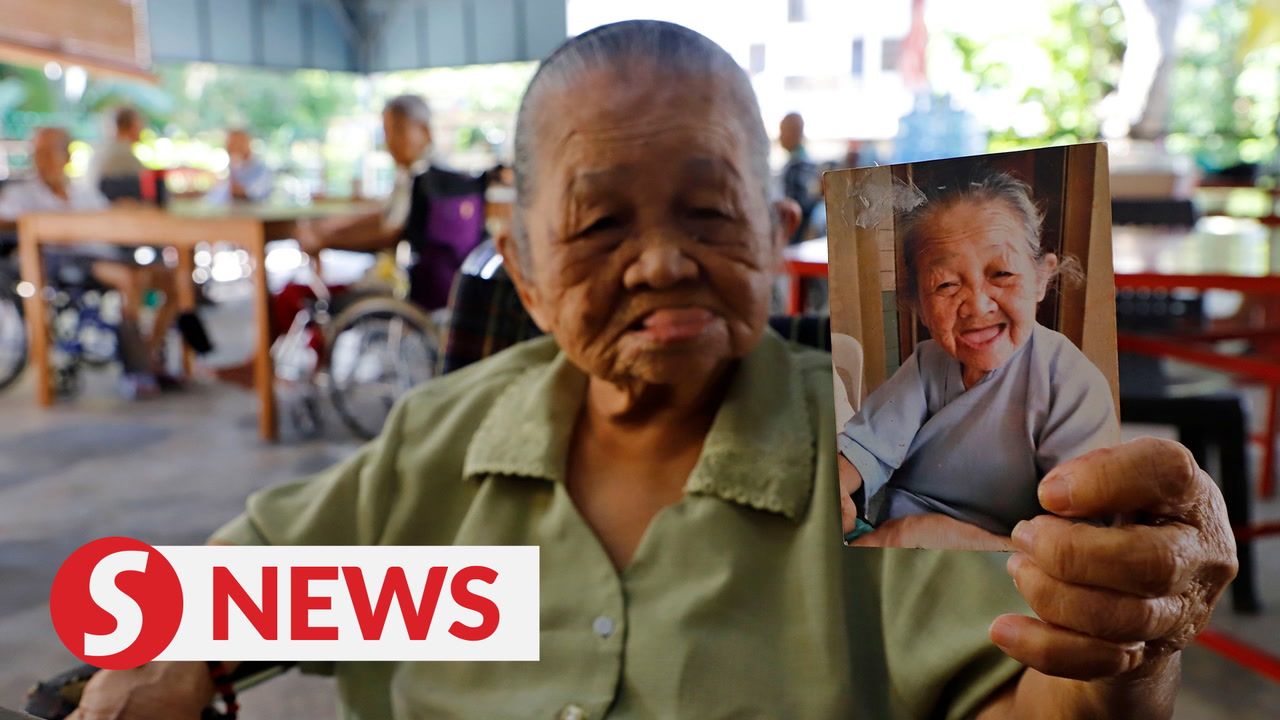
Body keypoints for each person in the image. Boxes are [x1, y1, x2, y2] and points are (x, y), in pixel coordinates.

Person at [71, 21, 1237, 720]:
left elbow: (1030, 694)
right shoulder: (441, 455)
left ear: (781, 237)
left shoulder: (890, 457)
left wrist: (1116, 659)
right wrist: (157, 650)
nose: (664, 261)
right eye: (595, 229)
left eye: (707, 212)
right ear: (522, 269)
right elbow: (224, 584)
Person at [837, 172, 1118, 542]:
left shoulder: (1070, 383)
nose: (977, 305)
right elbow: (864, 447)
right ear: (919, 307)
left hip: (1015, 564)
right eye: (946, 285)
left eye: (1001, 274)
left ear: (1040, 278)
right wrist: (836, 491)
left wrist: (945, 537)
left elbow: (1081, 536)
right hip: (904, 545)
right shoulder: (926, 364)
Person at [0, 127, 178, 395]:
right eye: (38, 152)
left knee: (174, 281)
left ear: (68, 156)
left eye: (50, 152)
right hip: (61, 261)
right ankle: (137, 371)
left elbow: (108, 218)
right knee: (128, 278)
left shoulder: (83, 190)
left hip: (103, 254)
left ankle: (148, 355)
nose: (42, 159)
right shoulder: (21, 193)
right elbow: (8, 221)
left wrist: (128, 210)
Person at [296, 94, 488, 311]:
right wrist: (330, 229)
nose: (390, 141)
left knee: (298, 299)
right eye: (386, 132)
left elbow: (391, 232)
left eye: (398, 130)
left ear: (424, 131)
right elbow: (387, 215)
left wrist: (325, 239)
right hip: (439, 288)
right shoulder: (435, 176)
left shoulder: (424, 178)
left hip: (407, 290)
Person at [778, 111, 821, 243]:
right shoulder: (808, 164)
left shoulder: (796, 167)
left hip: (795, 242)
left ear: (794, 132)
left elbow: (797, 211)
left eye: (783, 131)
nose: (780, 137)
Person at [205, 129, 273, 203]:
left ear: (247, 143)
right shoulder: (234, 166)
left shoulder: (261, 168)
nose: (230, 147)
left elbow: (253, 195)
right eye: (229, 144)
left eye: (235, 143)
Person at [92, 106, 146, 184]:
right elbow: (147, 184)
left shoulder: (103, 149)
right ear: (133, 125)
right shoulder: (122, 154)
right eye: (140, 123)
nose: (143, 128)